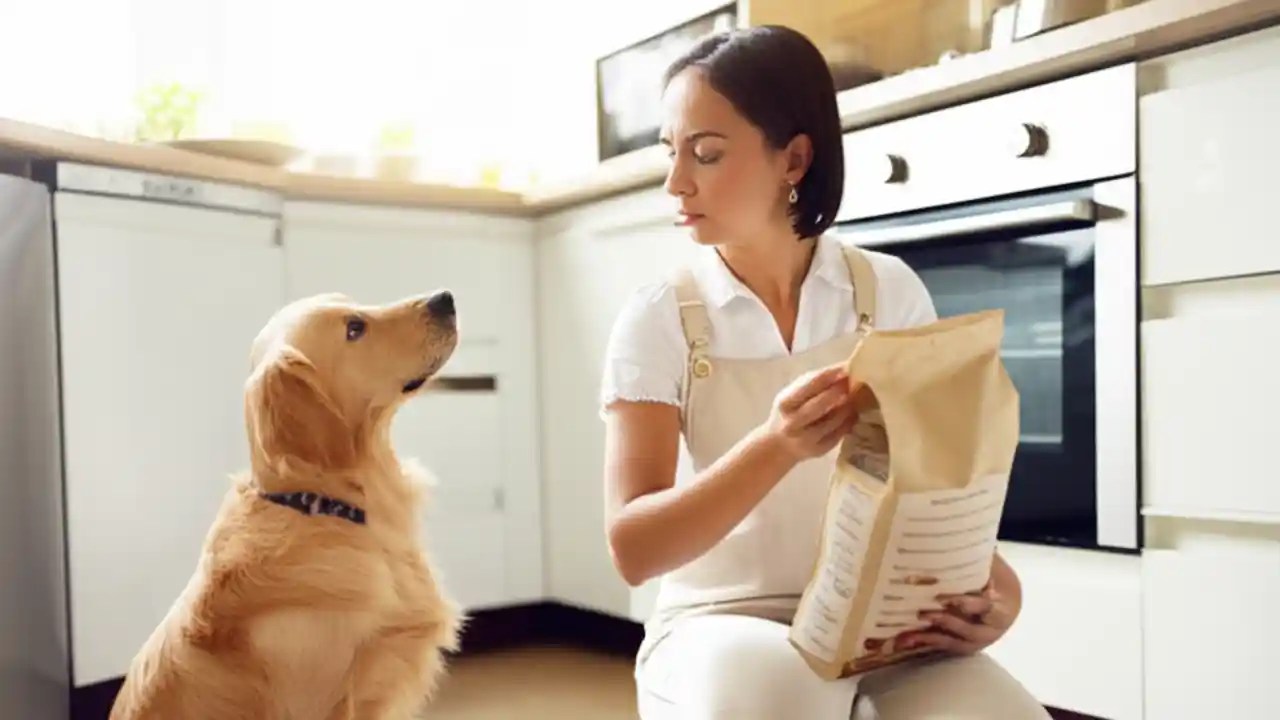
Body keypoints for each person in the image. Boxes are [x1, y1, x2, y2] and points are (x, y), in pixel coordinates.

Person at [599, 25, 1051, 720]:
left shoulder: (888, 292)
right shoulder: (659, 317)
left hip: (878, 627)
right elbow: (633, 548)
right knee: (782, 695)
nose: (675, 181)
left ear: (794, 158)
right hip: (717, 622)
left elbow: (933, 487)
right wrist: (775, 445)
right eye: (671, 151)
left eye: (706, 153)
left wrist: (997, 593)